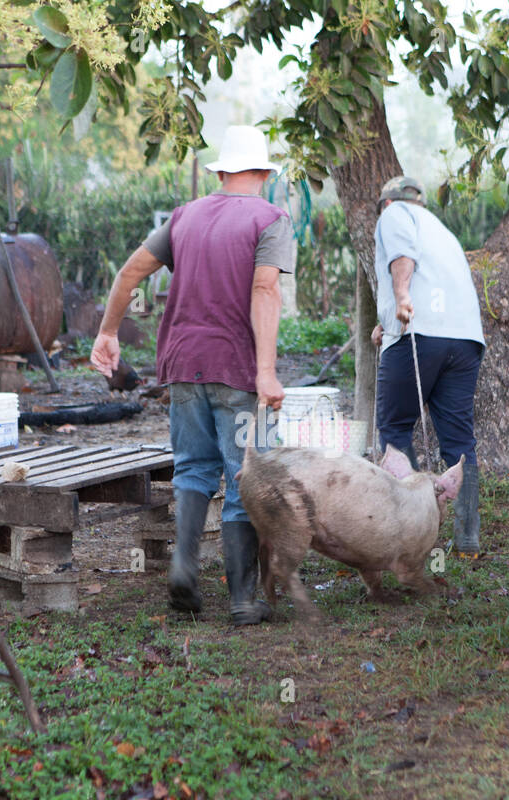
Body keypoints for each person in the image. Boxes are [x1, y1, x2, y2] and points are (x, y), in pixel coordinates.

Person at [91, 126, 294, 624]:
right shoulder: (271, 218)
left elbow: (129, 273)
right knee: (245, 477)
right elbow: (265, 291)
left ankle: (184, 567)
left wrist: (108, 333)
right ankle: (244, 601)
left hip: (181, 364)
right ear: (265, 174)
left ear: (221, 172)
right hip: (238, 370)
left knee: (192, 469)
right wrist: (266, 372)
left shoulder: (185, 216)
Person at [369, 175, 485, 556]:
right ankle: (467, 537)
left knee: (395, 428)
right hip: (464, 339)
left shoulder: (393, 215)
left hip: (419, 334)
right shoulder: (441, 231)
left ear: (387, 203)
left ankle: (412, 532)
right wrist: (386, 323)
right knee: (458, 440)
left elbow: (404, 258)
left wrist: (401, 298)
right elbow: (438, 289)